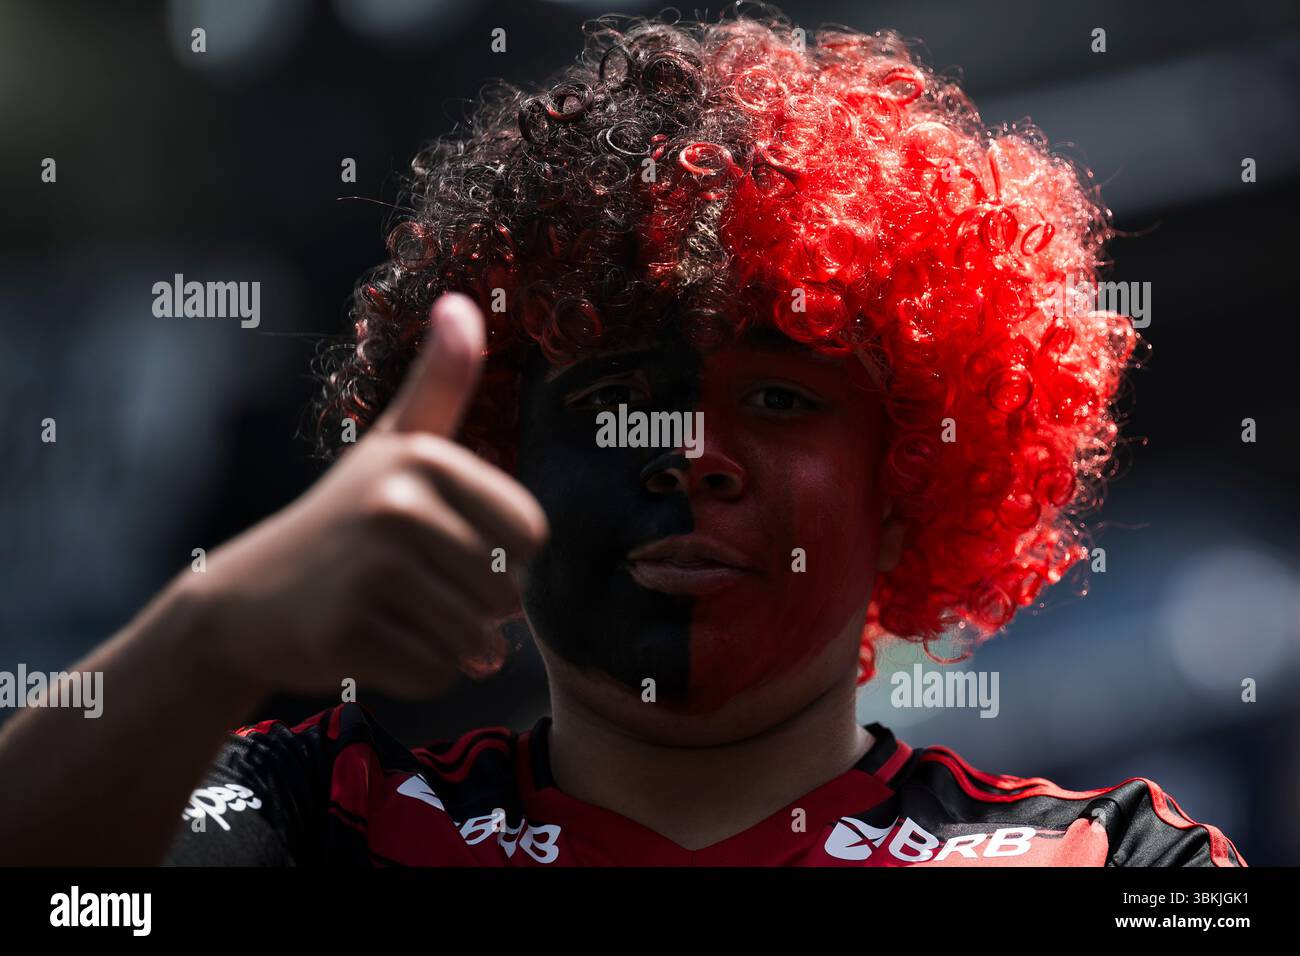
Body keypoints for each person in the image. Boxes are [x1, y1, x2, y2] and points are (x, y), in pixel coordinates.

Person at [0, 7, 1245, 866]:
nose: (689, 453)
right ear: (493, 460)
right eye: (609, 395)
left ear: (911, 480)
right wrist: (215, 630)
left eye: (780, 397)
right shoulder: (326, 821)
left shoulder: (1108, 858)